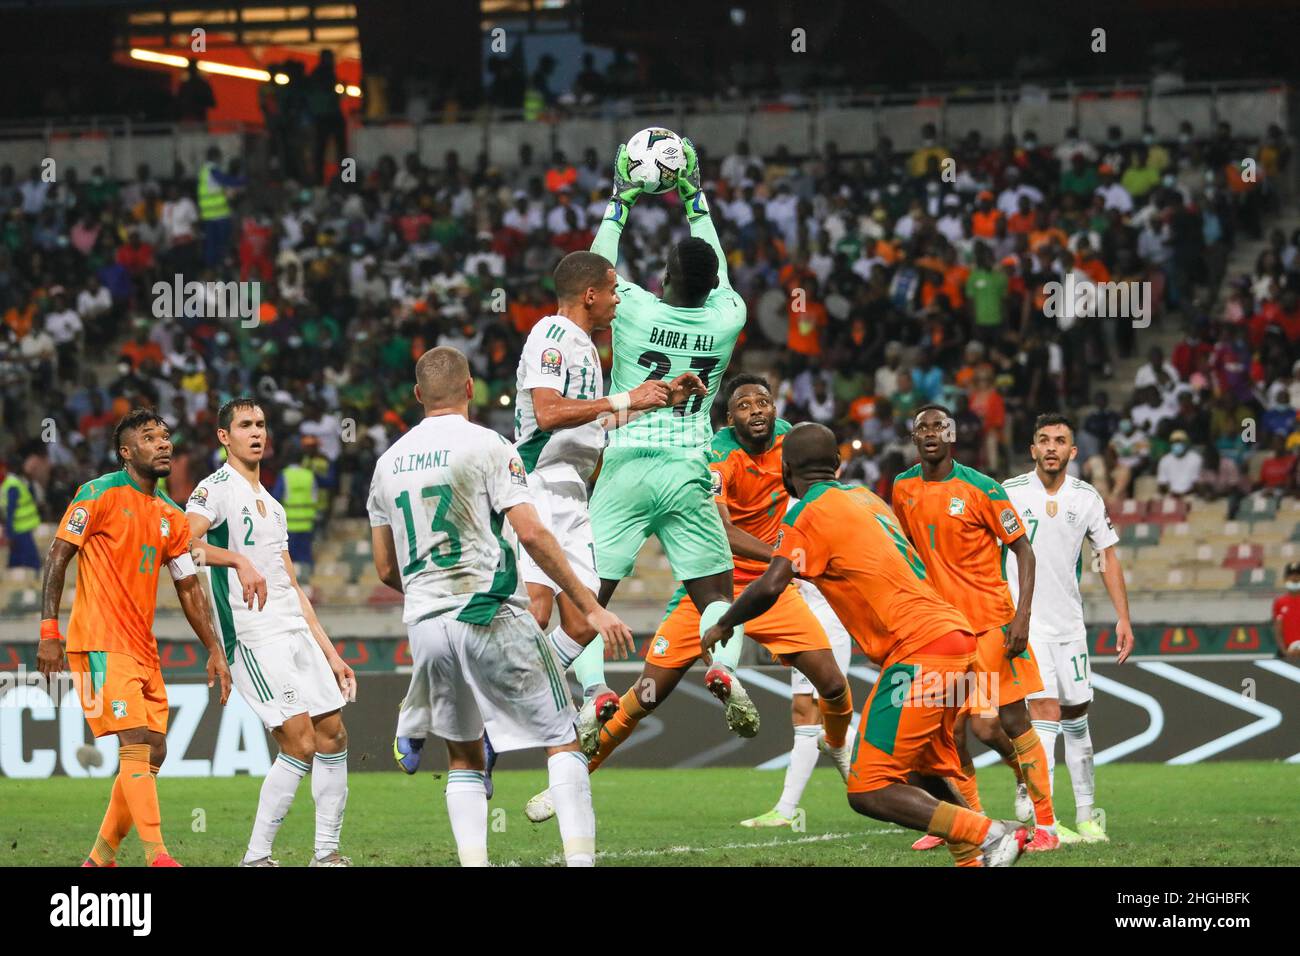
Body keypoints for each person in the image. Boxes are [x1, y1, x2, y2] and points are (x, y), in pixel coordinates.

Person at [524, 377, 854, 827]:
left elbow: (820, 497)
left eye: (763, 401)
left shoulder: (791, 443)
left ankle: (841, 752)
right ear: (729, 417)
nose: (756, 409)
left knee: (833, 684)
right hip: (710, 589)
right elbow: (721, 531)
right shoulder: (717, 454)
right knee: (643, 697)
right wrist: (787, 555)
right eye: (743, 405)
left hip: (772, 590)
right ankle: (565, 784)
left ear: (775, 408)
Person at [700, 423, 1029, 867]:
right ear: (837, 463)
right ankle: (972, 856)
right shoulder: (867, 499)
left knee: (869, 788)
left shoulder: (807, 513)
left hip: (921, 650)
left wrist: (725, 623)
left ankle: (989, 833)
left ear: (784, 468)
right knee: (922, 769)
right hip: (955, 638)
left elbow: (773, 582)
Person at [366, 346, 633, 867]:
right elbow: (531, 533)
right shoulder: (490, 445)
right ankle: (581, 862)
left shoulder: (387, 463)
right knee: (563, 739)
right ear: (470, 389)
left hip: (425, 626)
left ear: (418, 396)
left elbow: (382, 567)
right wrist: (590, 606)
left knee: (464, 753)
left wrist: (430, 594)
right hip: (489, 612)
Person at [585, 138, 759, 730]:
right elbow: (715, 263)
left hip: (627, 459)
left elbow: (594, 270)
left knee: (591, 592)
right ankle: (726, 669)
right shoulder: (727, 315)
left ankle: (593, 693)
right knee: (715, 589)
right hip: (689, 464)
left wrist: (621, 201)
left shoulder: (633, 309)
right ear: (714, 286)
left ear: (662, 277)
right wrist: (693, 195)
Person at [499, 250, 701, 752]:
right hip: (538, 482)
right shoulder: (550, 334)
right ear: (591, 294)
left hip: (573, 492)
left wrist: (654, 400)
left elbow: (591, 423)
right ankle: (489, 708)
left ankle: (513, 700)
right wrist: (625, 398)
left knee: (585, 620)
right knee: (537, 610)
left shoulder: (587, 348)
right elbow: (547, 415)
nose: (618, 302)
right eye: (614, 291)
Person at [37, 409, 232, 867]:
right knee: (136, 742)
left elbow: (187, 583)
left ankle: (99, 860)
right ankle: (157, 856)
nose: (163, 443)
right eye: (150, 438)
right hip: (100, 641)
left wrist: (215, 649)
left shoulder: (171, 515)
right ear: (127, 452)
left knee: (155, 750)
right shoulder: (98, 494)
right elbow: (58, 556)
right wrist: (50, 631)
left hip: (142, 648)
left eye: (166, 436)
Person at [186, 398, 357, 867]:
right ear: (225, 437)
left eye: (261, 425)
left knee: (333, 735)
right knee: (300, 742)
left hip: (293, 630)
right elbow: (182, 542)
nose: (256, 432)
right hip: (252, 636)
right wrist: (237, 560)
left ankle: (326, 854)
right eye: (245, 425)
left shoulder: (274, 506)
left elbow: (292, 587)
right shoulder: (214, 489)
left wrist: (331, 653)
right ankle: (256, 858)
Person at [892, 405, 1059, 853]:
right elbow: (908, 554)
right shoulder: (902, 487)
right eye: (922, 427)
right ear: (913, 437)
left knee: (1006, 722)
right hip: (940, 631)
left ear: (953, 436)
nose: (930, 433)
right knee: (947, 731)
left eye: (938, 427)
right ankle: (966, 820)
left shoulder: (983, 489)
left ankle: (1046, 823)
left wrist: (1021, 617)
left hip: (990, 625)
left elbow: (1024, 551)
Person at [1004, 414, 1135, 843]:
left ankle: (1086, 816)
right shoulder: (1008, 493)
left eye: (1060, 440)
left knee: (1077, 719)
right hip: (1026, 626)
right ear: (1033, 449)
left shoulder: (1087, 498)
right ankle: (1047, 820)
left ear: (1073, 451)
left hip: (1070, 627)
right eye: (1044, 440)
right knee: (1044, 712)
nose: (1052, 448)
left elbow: (1108, 558)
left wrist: (1123, 617)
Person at [1, 457, 40, 570]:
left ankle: (33, 579)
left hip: (22, 526)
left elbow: (10, 511)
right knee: (15, 559)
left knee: (29, 560)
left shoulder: (11, 485)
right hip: (17, 526)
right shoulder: (6, 484)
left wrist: (8, 533)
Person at [1272, 562, 1300, 662]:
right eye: (1291, 575)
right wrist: (1284, 651)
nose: (1295, 578)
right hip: (1286, 654)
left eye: (1298, 575)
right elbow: (1278, 629)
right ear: (1285, 579)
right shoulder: (1280, 602)